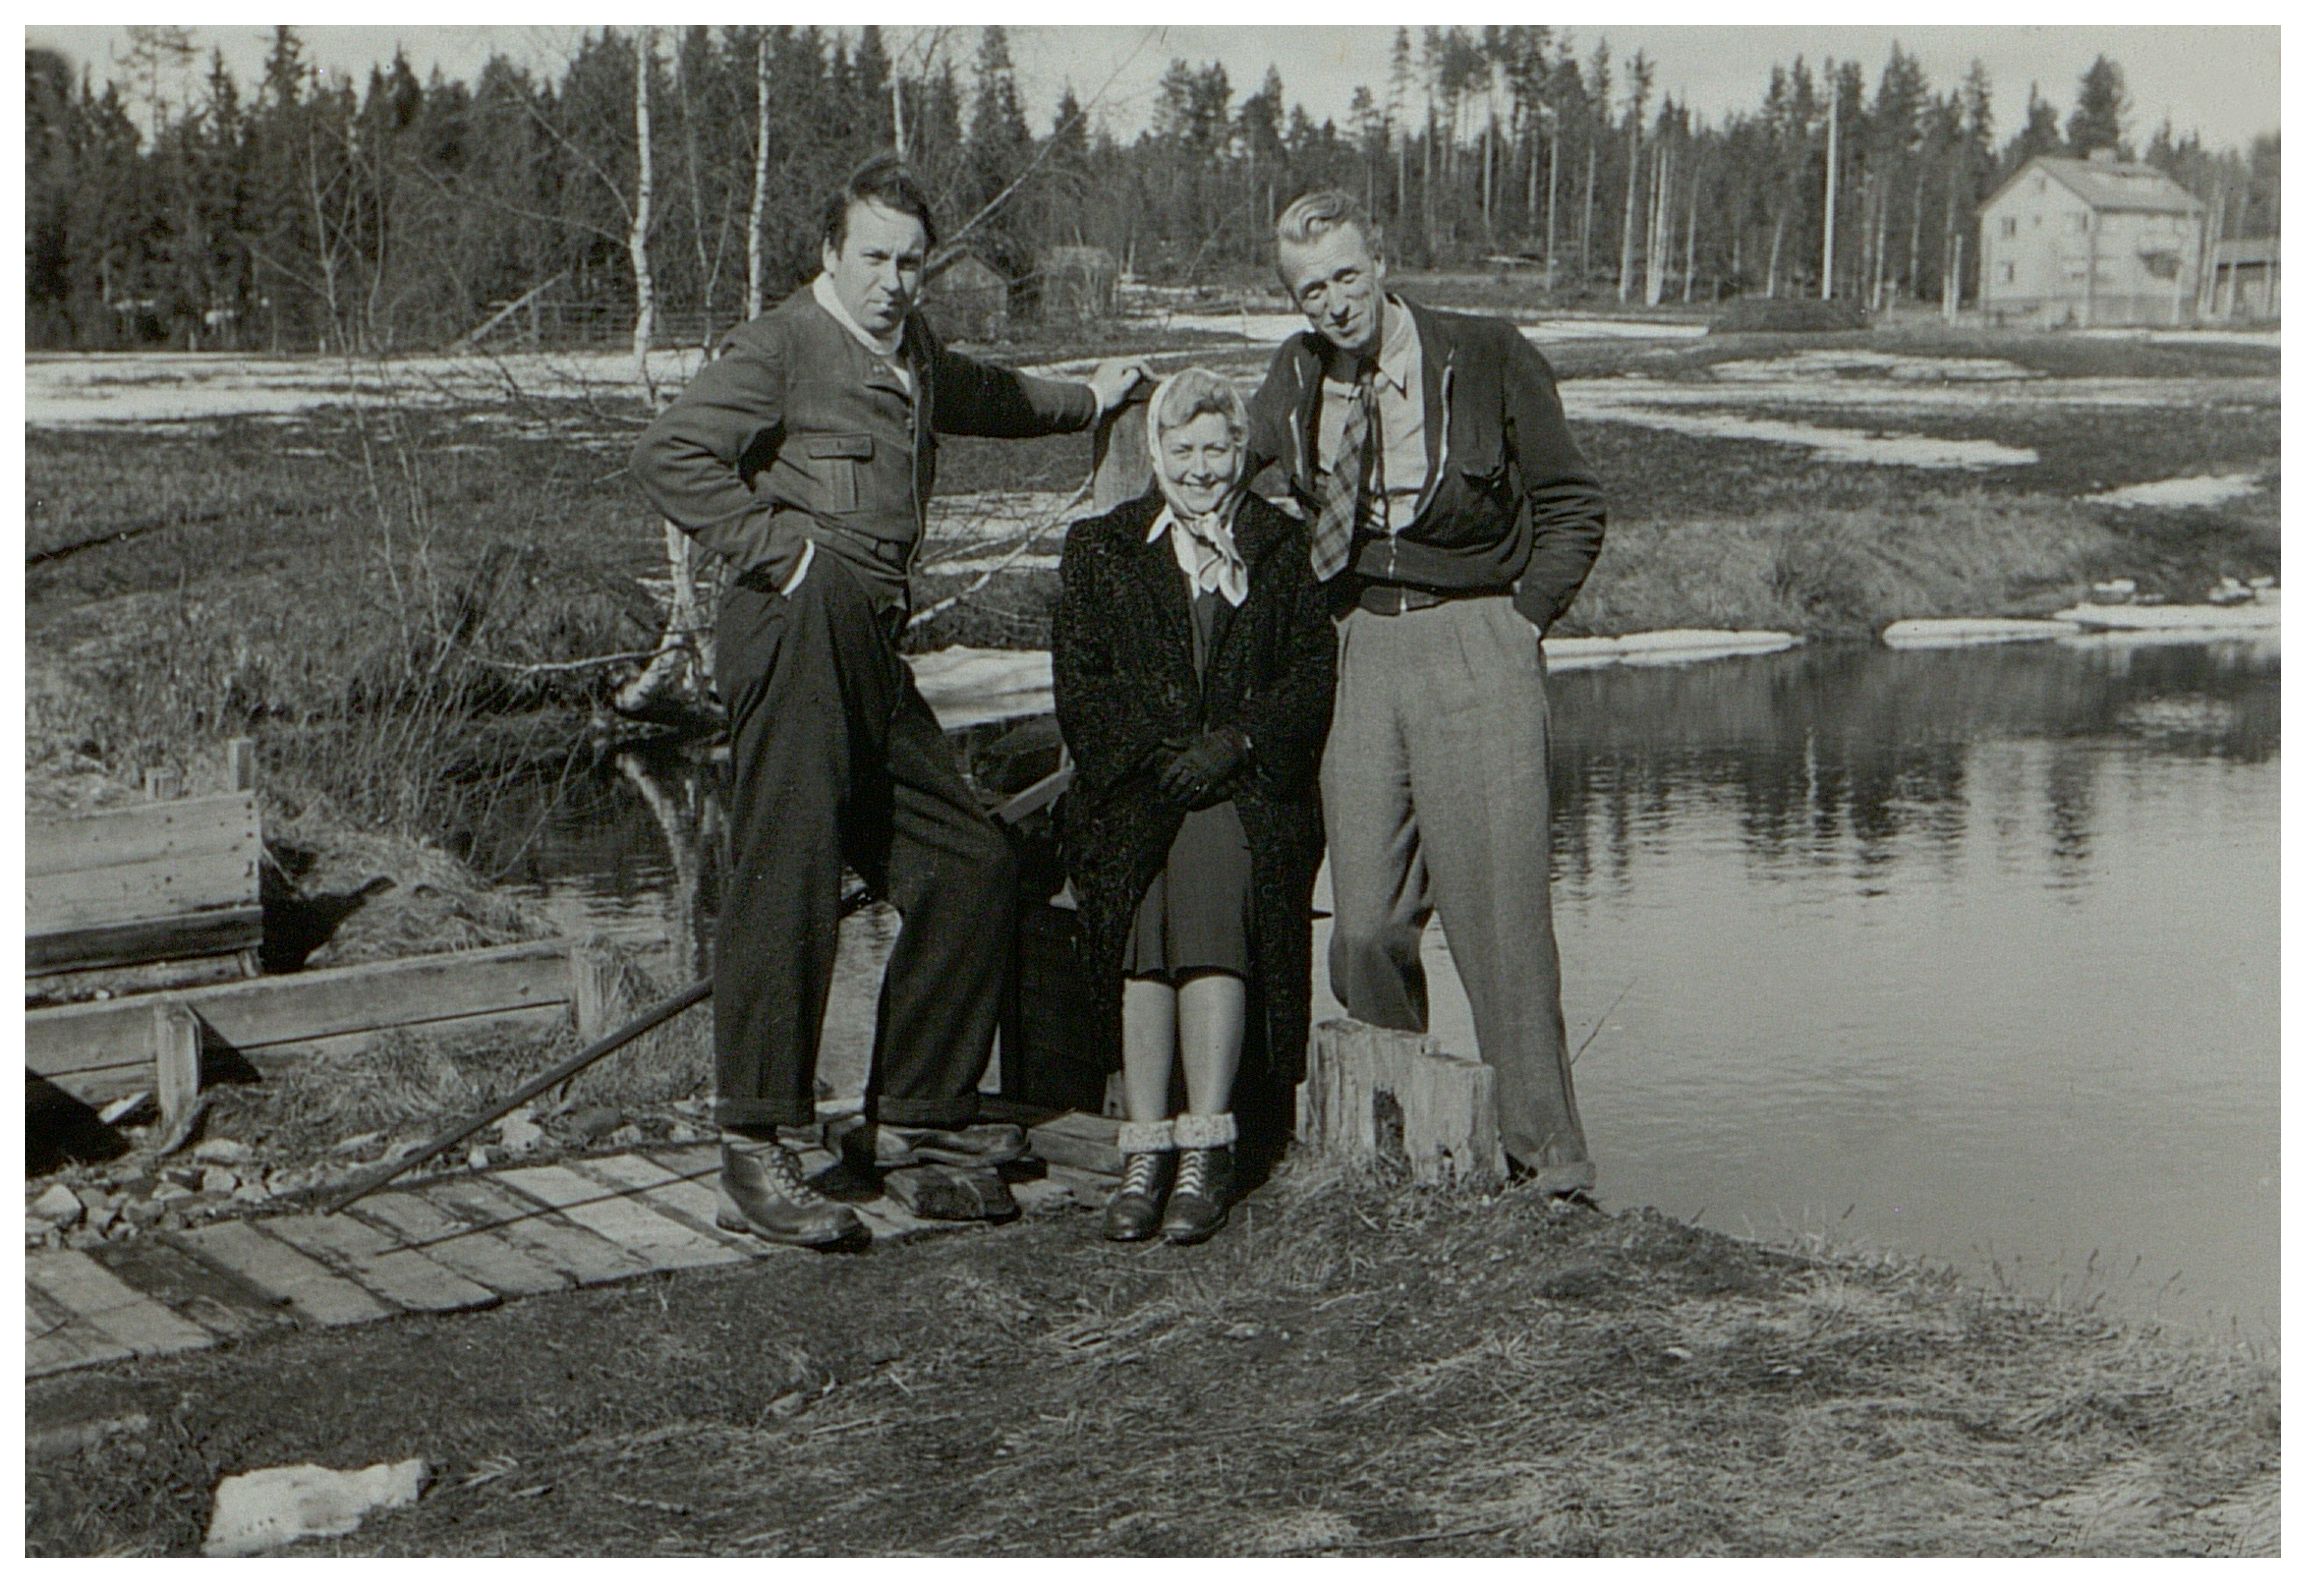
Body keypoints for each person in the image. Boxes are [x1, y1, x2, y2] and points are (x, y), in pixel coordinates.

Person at [632, 154, 1145, 1246]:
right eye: (873, 257)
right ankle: (754, 1146)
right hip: (794, 624)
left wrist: (1096, 397)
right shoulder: (778, 346)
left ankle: (913, 1112)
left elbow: (988, 395)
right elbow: (672, 452)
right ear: (830, 253)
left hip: (869, 644)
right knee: (792, 868)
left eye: (911, 262)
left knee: (969, 864)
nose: (893, 280)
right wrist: (785, 554)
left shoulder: (907, 351)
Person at [1243, 190, 1605, 1196]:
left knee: (1499, 923)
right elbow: (1235, 478)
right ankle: (1403, 1135)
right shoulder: (1294, 373)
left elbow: (1572, 501)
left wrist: (1520, 617)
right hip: (1357, 643)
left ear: (1381, 262)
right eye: (1309, 289)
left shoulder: (1484, 353)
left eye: (1346, 277)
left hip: (1475, 642)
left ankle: (1549, 1160)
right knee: (1360, 922)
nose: (1333, 303)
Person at [1052, 369, 1335, 1244]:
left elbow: (1307, 679)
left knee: (1209, 873)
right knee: (1142, 898)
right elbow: (1083, 685)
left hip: (1245, 790)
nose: (1203, 467)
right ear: (1157, 452)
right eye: (1185, 449)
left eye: (1219, 448)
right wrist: (1153, 754)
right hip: (1133, 786)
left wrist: (1237, 743)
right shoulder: (1101, 546)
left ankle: (1205, 1147)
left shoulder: (1281, 547)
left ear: (1241, 454)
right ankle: (1146, 1150)